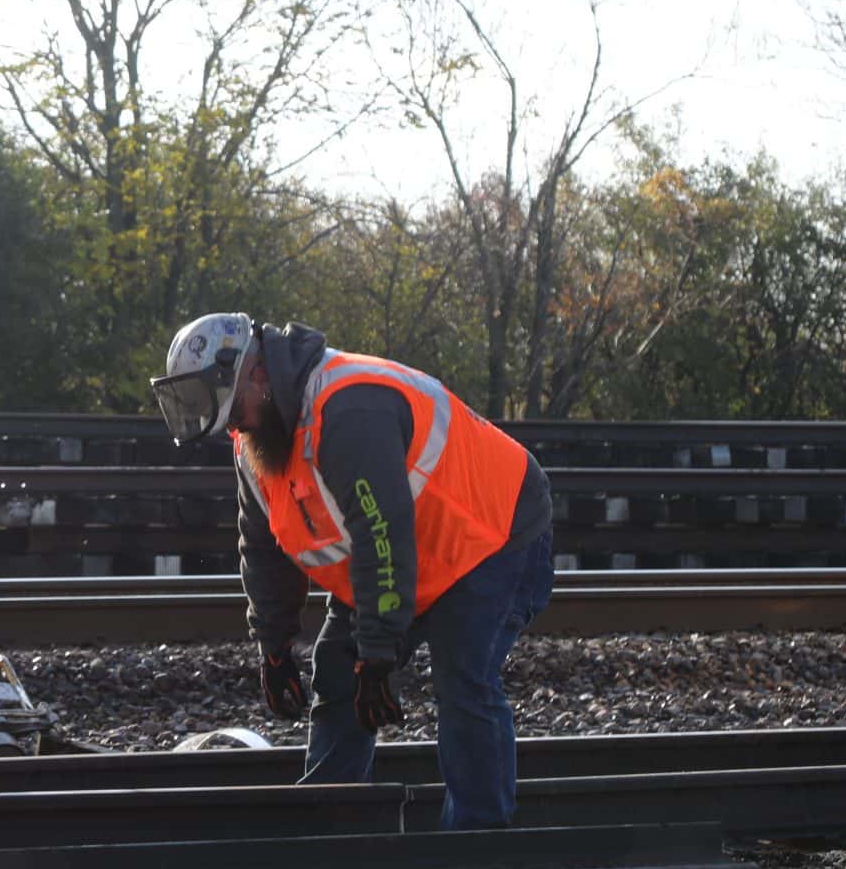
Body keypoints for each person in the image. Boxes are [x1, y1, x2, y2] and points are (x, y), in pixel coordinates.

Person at [148, 314, 554, 828]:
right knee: (339, 670)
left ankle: (478, 842)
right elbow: (264, 545)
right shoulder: (254, 440)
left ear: (256, 374)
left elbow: (380, 533)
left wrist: (377, 653)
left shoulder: (348, 409)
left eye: (234, 411)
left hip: (492, 531)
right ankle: (328, 826)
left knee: (463, 679)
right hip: (412, 545)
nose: (233, 426)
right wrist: (274, 645)